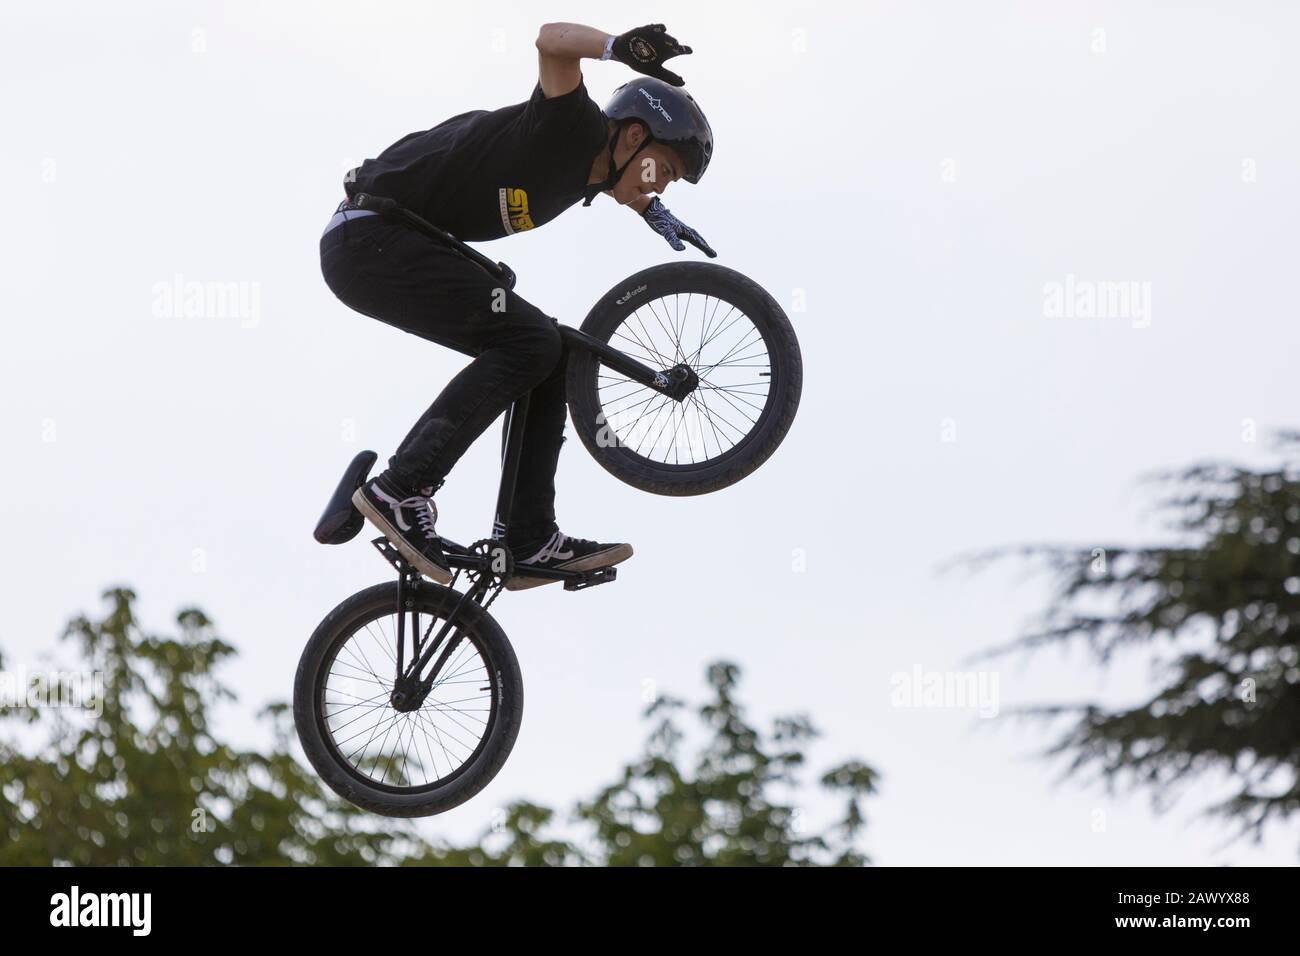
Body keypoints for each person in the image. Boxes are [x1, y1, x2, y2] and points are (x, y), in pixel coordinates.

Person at [319, 22, 715, 589]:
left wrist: (649, 212)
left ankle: (526, 538)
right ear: (631, 136)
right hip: (370, 236)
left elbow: (621, 182)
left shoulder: (591, 170)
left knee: (548, 350)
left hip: (389, 241)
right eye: (667, 172)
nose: (663, 189)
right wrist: (619, 49)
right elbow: (551, 39)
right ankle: (400, 489)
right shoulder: (571, 127)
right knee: (530, 342)